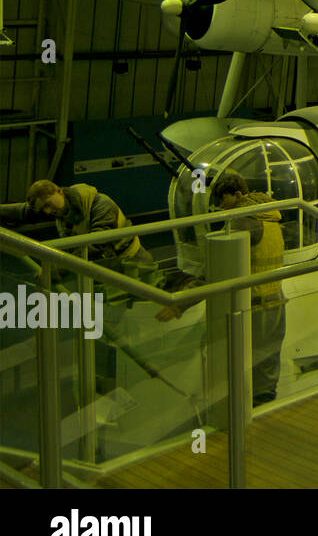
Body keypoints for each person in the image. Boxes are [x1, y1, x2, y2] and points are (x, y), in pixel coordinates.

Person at [159, 172, 287, 406]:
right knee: (267, 368)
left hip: (252, 307)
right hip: (276, 301)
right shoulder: (272, 216)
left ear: (238, 194)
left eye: (223, 199)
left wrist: (180, 304)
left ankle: (239, 423)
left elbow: (214, 274)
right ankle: (268, 415)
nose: (220, 206)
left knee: (235, 364)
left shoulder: (242, 223)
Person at [0, 180, 156, 291]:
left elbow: (94, 245)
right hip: (103, 266)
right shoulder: (60, 206)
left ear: (59, 191)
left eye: (48, 205)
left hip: (131, 262)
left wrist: (56, 270)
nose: (47, 212)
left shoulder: (101, 205)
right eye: (43, 209)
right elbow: (24, 211)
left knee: (144, 302)